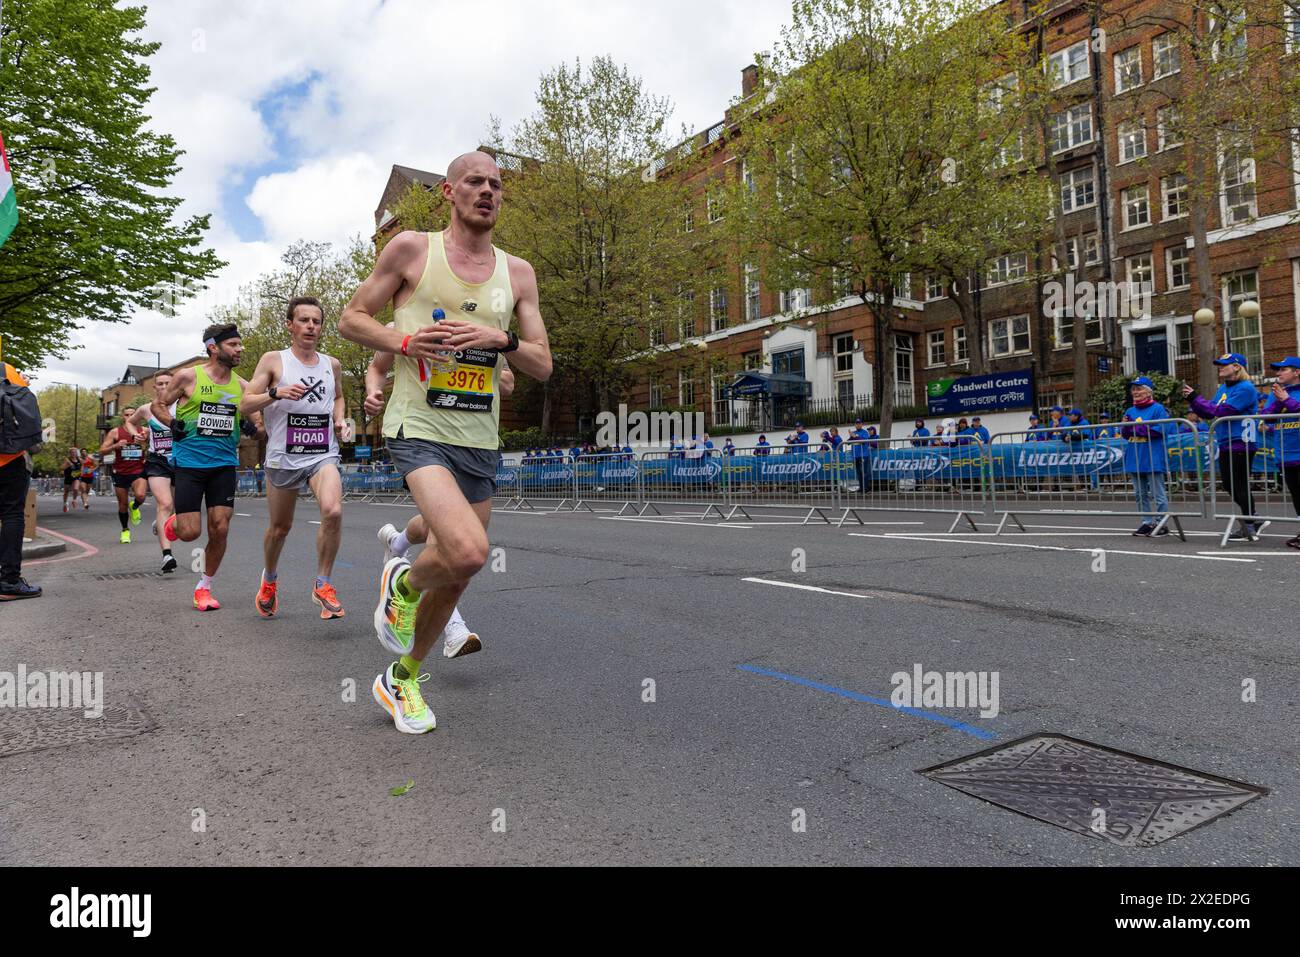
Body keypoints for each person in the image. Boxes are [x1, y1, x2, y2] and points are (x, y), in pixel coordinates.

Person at [339, 149, 552, 735]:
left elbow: (542, 365)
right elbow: (352, 318)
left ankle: (401, 678)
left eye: (496, 184)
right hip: (418, 426)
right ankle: (401, 583)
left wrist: (499, 339)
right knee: (466, 551)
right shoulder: (411, 249)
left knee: (457, 574)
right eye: (475, 182)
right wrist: (404, 345)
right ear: (449, 192)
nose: (488, 191)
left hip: (478, 438)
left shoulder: (519, 273)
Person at [366, 346, 517, 656]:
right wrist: (372, 393)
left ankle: (397, 544)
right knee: (453, 544)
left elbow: (509, 382)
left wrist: (485, 375)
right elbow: (378, 366)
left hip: (475, 442)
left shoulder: (487, 326)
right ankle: (451, 626)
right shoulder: (411, 317)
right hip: (426, 439)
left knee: (451, 538)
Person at [241, 296, 348, 620]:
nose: (311, 326)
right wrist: (276, 393)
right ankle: (270, 579)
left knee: (333, 510)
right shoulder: (274, 361)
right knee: (280, 527)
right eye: (303, 320)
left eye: (316, 321)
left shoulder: (332, 365)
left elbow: (339, 396)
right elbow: (246, 404)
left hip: (321, 452)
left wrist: (339, 420)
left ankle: (323, 583)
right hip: (284, 456)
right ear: (290, 325)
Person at [153, 322, 265, 610]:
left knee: (220, 528)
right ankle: (171, 523)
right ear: (213, 347)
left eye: (240, 344)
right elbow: (158, 406)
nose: (240, 349)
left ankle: (204, 586)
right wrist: (171, 423)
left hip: (224, 464)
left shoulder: (242, 386)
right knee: (189, 532)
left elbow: (259, 426)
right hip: (189, 463)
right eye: (234, 345)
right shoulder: (188, 377)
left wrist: (252, 428)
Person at [1184, 353, 1262, 541]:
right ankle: (1252, 520)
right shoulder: (1223, 389)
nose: (1220, 367)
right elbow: (1210, 412)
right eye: (1219, 364)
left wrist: (1196, 397)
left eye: (1224, 364)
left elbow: (1223, 411)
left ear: (1236, 367)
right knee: (1229, 484)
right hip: (1226, 441)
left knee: (1239, 483)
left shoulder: (1246, 388)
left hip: (1242, 441)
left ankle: (1250, 522)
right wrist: (1193, 400)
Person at [127, 374, 179, 573]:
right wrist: (136, 434)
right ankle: (167, 555)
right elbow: (131, 422)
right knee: (164, 503)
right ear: (154, 387)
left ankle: (160, 522)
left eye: (168, 383)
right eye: (160, 384)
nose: (164, 386)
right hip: (157, 461)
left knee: (176, 509)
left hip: (181, 461)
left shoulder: (182, 406)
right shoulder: (146, 409)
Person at [0, 359, 41, 600]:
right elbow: (25, 414)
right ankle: (9, 581)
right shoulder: (6, 370)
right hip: (9, 456)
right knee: (12, 514)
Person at [1122, 377, 1173, 536]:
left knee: (1158, 493)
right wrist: (1132, 428)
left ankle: (1161, 523)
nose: (1135, 392)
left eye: (1139, 389)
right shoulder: (1129, 411)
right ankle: (1146, 521)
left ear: (1148, 391)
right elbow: (1125, 433)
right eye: (1133, 389)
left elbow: (1160, 430)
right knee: (1139, 494)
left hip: (1152, 456)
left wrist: (1136, 428)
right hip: (1134, 456)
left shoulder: (1158, 409)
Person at [1262, 356, 1300, 548]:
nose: (1278, 373)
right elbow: (1266, 417)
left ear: (1297, 372)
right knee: (1296, 494)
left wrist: (1287, 400)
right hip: (1286, 454)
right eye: (1277, 370)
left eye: (1283, 370)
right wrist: (1279, 402)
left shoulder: (1288, 394)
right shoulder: (1277, 393)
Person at [99, 408, 148, 544]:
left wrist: (145, 445)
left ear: (137, 417)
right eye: (127, 415)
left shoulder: (144, 431)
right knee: (122, 504)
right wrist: (115, 446)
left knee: (141, 496)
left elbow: (155, 444)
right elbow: (102, 450)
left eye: (132, 415)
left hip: (138, 470)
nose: (129, 417)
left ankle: (135, 506)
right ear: (122, 417)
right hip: (120, 472)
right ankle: (125, 530)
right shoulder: (115, 432)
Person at [848, 419, 871, 493]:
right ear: (855, 425)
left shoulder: (865, 432)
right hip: (856, 456)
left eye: (859, 423)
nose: (858, 425)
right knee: (859, 473)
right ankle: (861, 488)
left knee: (865, 472)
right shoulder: (854, 433)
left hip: (864, 455)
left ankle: (866, 488)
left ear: (861, 424)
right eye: (856, 423)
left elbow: (864, 441)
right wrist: (852, 437)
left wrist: (855, 436)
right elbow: (848, 442)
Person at [60, 447, 80, 513]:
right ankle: (65, 503)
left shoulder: (79, 460)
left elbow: (85, 465)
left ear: (77, 453)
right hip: (68, 478)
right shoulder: (67, 460)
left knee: (76, 489)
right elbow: (61, 468)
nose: (73, 454)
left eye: (75, 452)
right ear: (70, 454)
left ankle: (74, 500)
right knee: (66, 492)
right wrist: (68, 465)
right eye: (72, 452)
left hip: (76, 477)